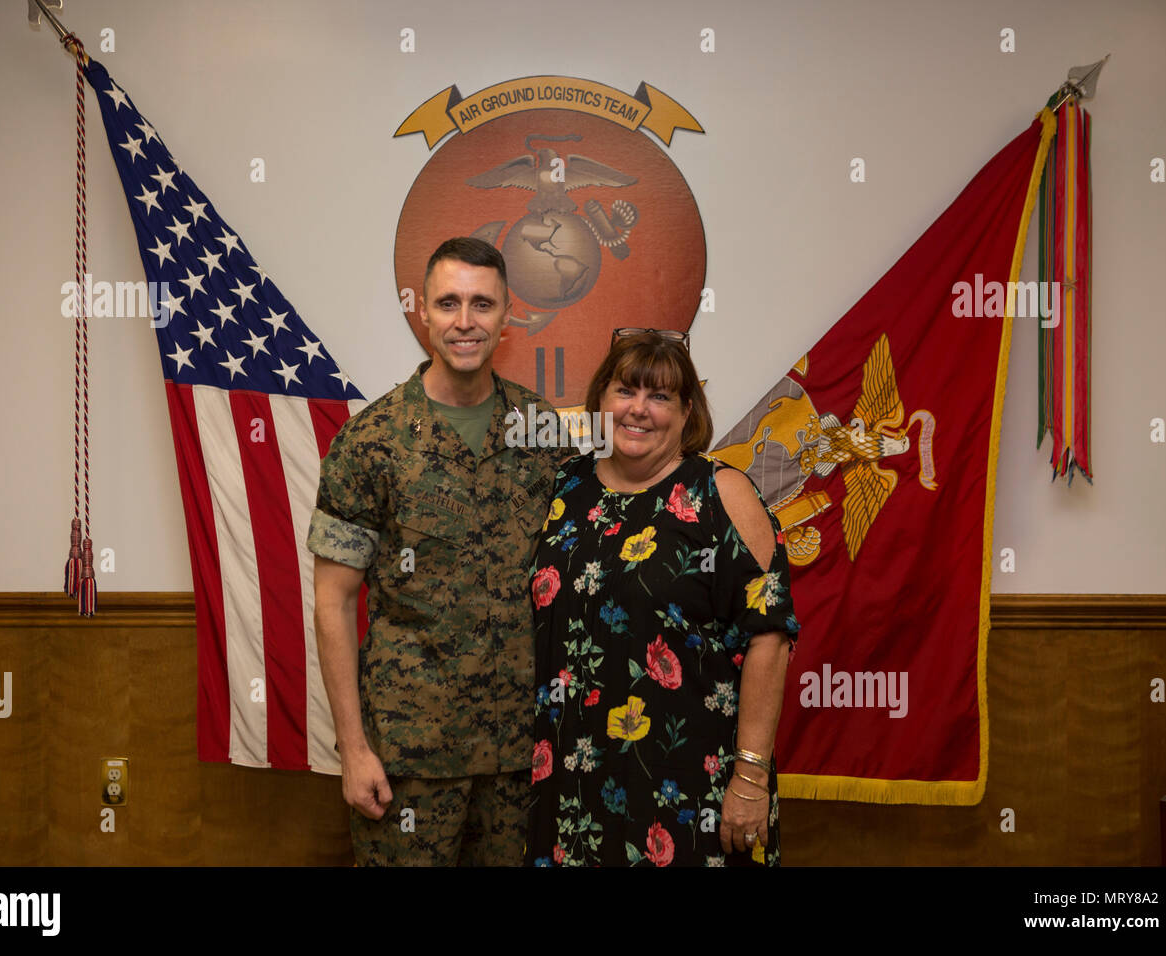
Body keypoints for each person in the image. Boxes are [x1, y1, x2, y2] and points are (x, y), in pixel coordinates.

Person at [308, 237, 568, 865]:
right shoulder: (371, 441)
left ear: (507, 316)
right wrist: (354, 748)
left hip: (519, 757)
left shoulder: (541, 432)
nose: (464, 321)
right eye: (448, 303)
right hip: (409, 758)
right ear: (421, 311)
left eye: (482, 304)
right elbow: (334, 601)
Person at [527, 329, 801, 866]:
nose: (639, 410)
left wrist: (750, 774)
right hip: (571, 784)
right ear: (600, 399)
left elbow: (769, 635)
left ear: (686, 411)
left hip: (691, 787)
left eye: (660, 396)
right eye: (626, 391)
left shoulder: (722, 493)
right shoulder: (563, 488)